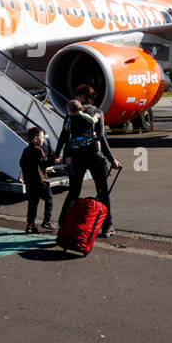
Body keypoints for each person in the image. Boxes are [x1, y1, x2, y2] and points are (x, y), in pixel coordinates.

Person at [54, 84, 121, 237]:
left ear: (82, 97)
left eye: (77, 96)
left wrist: (57, 153)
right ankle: (107, 226)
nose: (75, 98)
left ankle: (64, 223)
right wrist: (111, 159)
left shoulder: (72, 111)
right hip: (93, 155)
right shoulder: (97, 112)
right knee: (102, 191)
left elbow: (64, 136)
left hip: (75, 156)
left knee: (74, 191)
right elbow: (101, 136)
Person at [20, 126, 54, 233]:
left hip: (29, 182)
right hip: (40, 181)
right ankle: (47, 220)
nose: (43, 140)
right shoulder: (38, 150)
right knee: (49, 199)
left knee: (33, 204)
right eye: (42, 137)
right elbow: (44, 163)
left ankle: (30, 225)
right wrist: (55, 160)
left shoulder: (25, 150)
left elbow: (21, 163)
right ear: (35, 139)